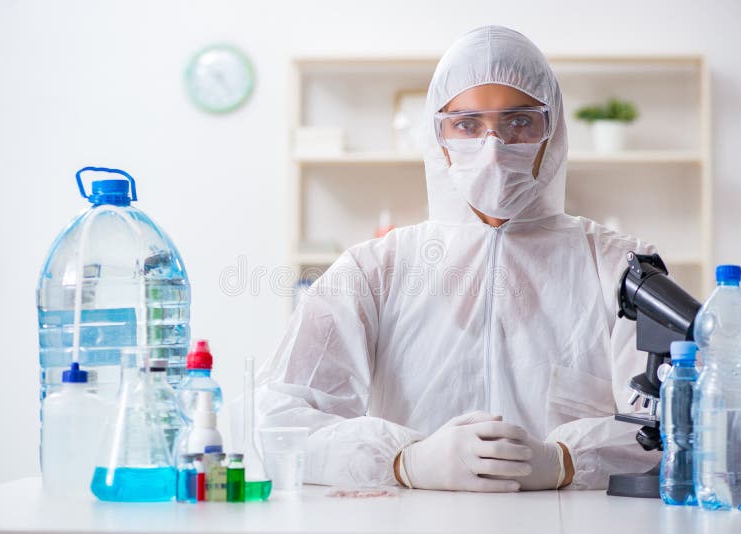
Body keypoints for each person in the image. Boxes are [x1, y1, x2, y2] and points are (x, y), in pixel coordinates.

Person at [253, 25, 660, 491]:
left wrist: (567, 461)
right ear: (438, 136)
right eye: (467, 125)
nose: (493, 148)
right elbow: (277, 422)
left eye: (519, 122)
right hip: (412, 520)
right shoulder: (372, 271)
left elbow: (677, 422)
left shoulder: (622, 269)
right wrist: (402, 461)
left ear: (551, 130)